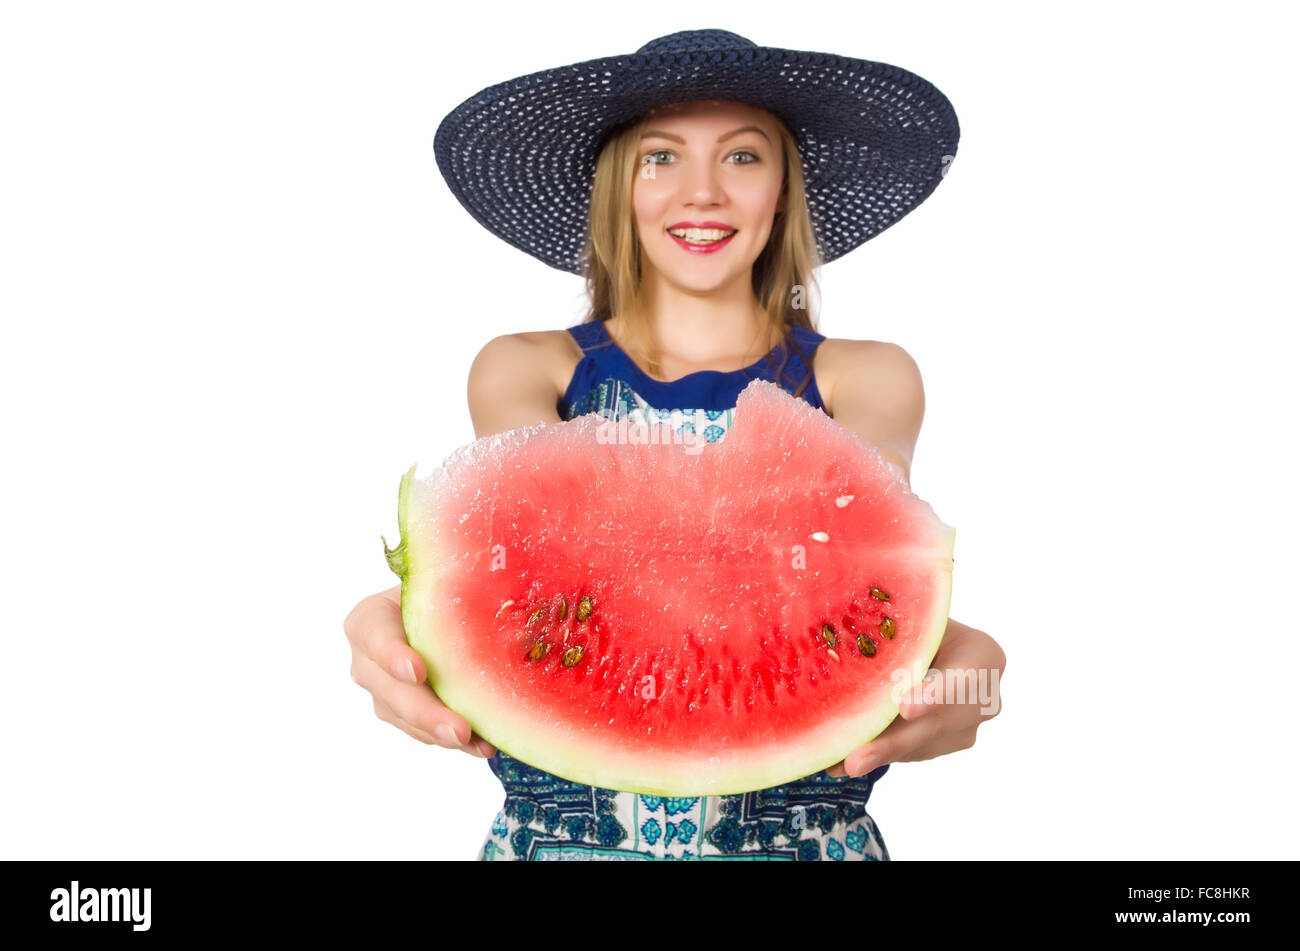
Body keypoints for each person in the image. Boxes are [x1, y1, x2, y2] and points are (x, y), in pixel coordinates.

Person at [344, 29, 1005, 860]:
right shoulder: (526, 368)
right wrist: (412, 612)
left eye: (742, 158)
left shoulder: (866, 378)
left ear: (782, 190)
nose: (703, 194)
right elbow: (538, 567)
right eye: (660, 158)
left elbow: (861, 575)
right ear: (619, 188)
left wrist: (981, 669)